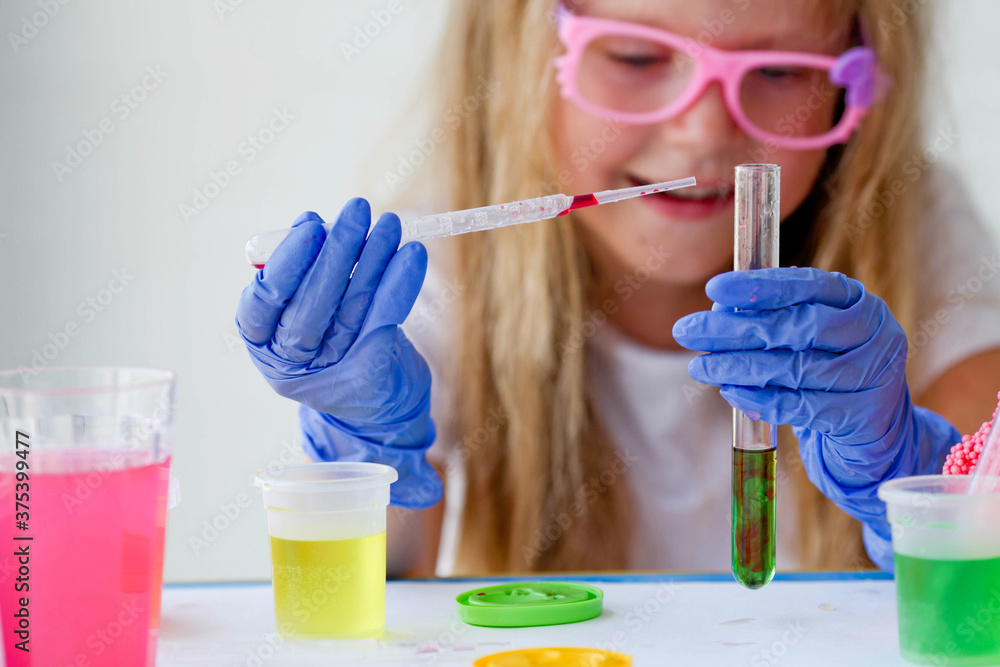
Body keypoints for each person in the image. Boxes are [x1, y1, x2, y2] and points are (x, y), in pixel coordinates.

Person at [236, 0, 1000, 576]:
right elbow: (377, 600)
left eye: (779, 72)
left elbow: (983, 581)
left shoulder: (914, 233)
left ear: (858, 82)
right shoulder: (441, 265)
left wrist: (912, 472)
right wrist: (359, 461)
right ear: (523, 51)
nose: (704, 133)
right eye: (636, 57)